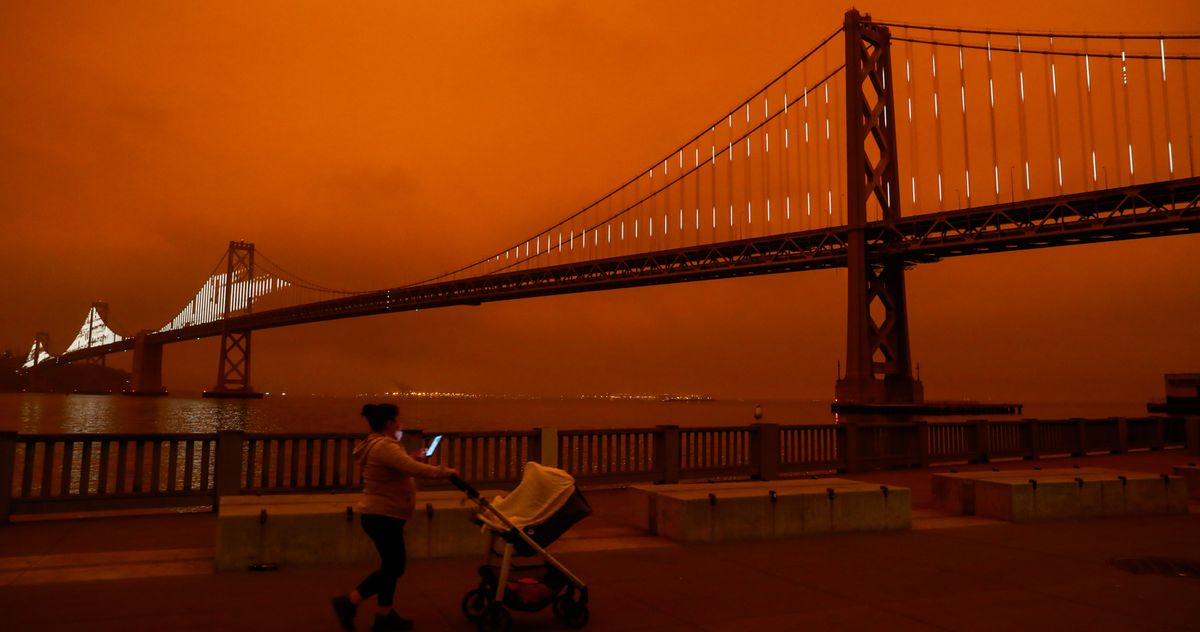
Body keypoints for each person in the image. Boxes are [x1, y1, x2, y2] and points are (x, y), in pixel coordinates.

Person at [332, 403, 457, 632]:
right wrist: (444, 472)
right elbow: (414, 470)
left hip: (381, 515)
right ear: (389, 423)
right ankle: (349, 601)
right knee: (394, 567)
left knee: (390, 566)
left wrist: (410, 458)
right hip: (382, 515)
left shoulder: (381, 445)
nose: (401, 424)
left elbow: (400, 466)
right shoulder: (385, 447)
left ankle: (384, 616)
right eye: (398, 420)